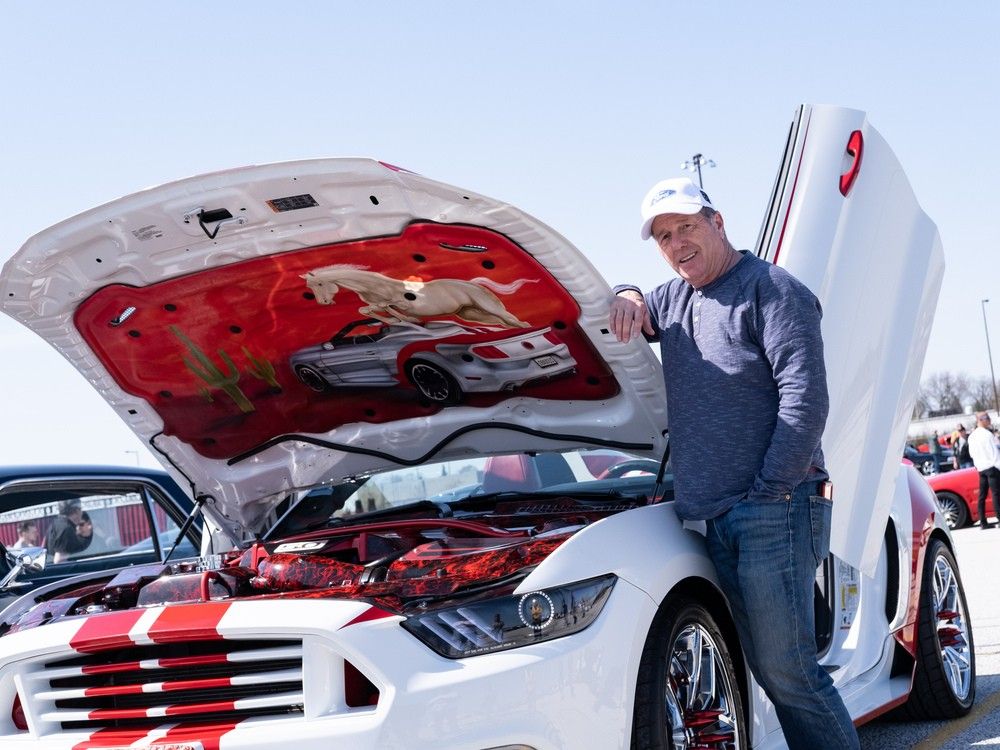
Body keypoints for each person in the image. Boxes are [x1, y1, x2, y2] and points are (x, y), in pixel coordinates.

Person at [609, 176, 858, 749]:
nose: (677, 244)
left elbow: (806, 398)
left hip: (775, 507)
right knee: (773, 673)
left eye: (687, 227)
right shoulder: (675, 298)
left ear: (717, 222)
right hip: (719, 515)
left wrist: (770, 490)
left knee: (791, 671)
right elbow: (638, 307)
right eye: (664, 236)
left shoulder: (773, 290)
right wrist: (625, 291)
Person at [968, 412, 1000, 529]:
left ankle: (983, 521)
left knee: (982, 496)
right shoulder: (987, 435)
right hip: (992, 467)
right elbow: (995, 453)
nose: (989, 420)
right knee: (996, 494)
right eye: (987, 418)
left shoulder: (972, 436)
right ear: (981, 420)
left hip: (981, 469)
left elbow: (972, 454)